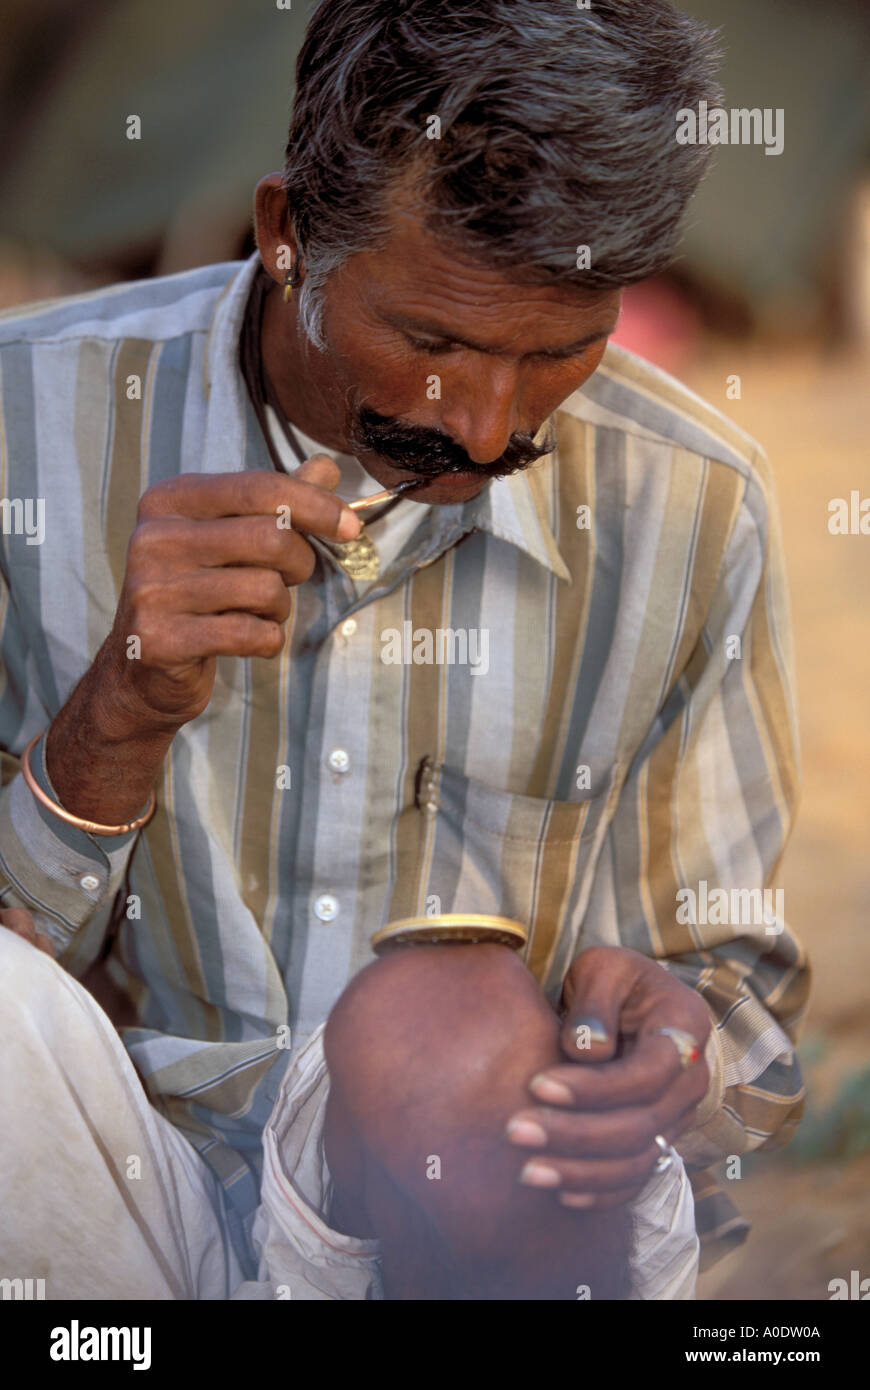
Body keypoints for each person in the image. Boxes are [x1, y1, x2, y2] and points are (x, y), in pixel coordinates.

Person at [0, 0, 808, 1300]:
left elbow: (735, 995)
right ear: (284, 238)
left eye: (559, 354)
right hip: (107, 1213)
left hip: (475, 1225)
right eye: (429, 344)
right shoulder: (20, 427)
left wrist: (679, 1051)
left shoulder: (688, 503)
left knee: (440, 1015)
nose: (486, 430)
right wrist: (117, 716)